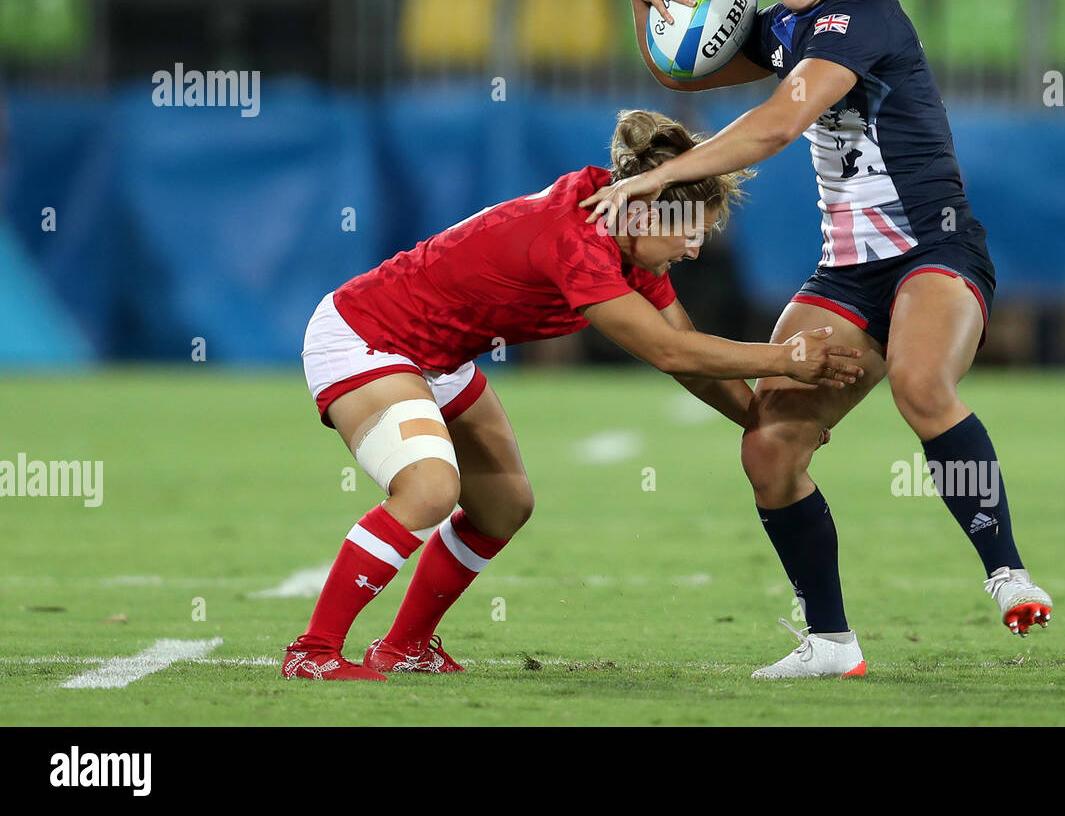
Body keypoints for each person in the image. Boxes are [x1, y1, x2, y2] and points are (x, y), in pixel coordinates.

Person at [582, 0, 1052, 679]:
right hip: (849, 271)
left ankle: (1007, 572)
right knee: (768, 442)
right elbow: (686, 67)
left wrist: (659, 177)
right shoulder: (788, 25)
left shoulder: (861, 17)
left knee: (920, 382)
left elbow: (773, 124)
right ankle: (831, 642)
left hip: (933, 251)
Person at [283, 108, 863, 680]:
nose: (694, 248)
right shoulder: (576, 240)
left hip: (439, 355)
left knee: (505, 505)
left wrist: (761, 422)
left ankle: (405, 647)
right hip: (370, 338)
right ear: (643, 213)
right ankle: (313, 652)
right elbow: (668, 353)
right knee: (430, 489)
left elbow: (685, 353)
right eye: (690, 231)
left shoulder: (624, 234)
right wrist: (785, 359)